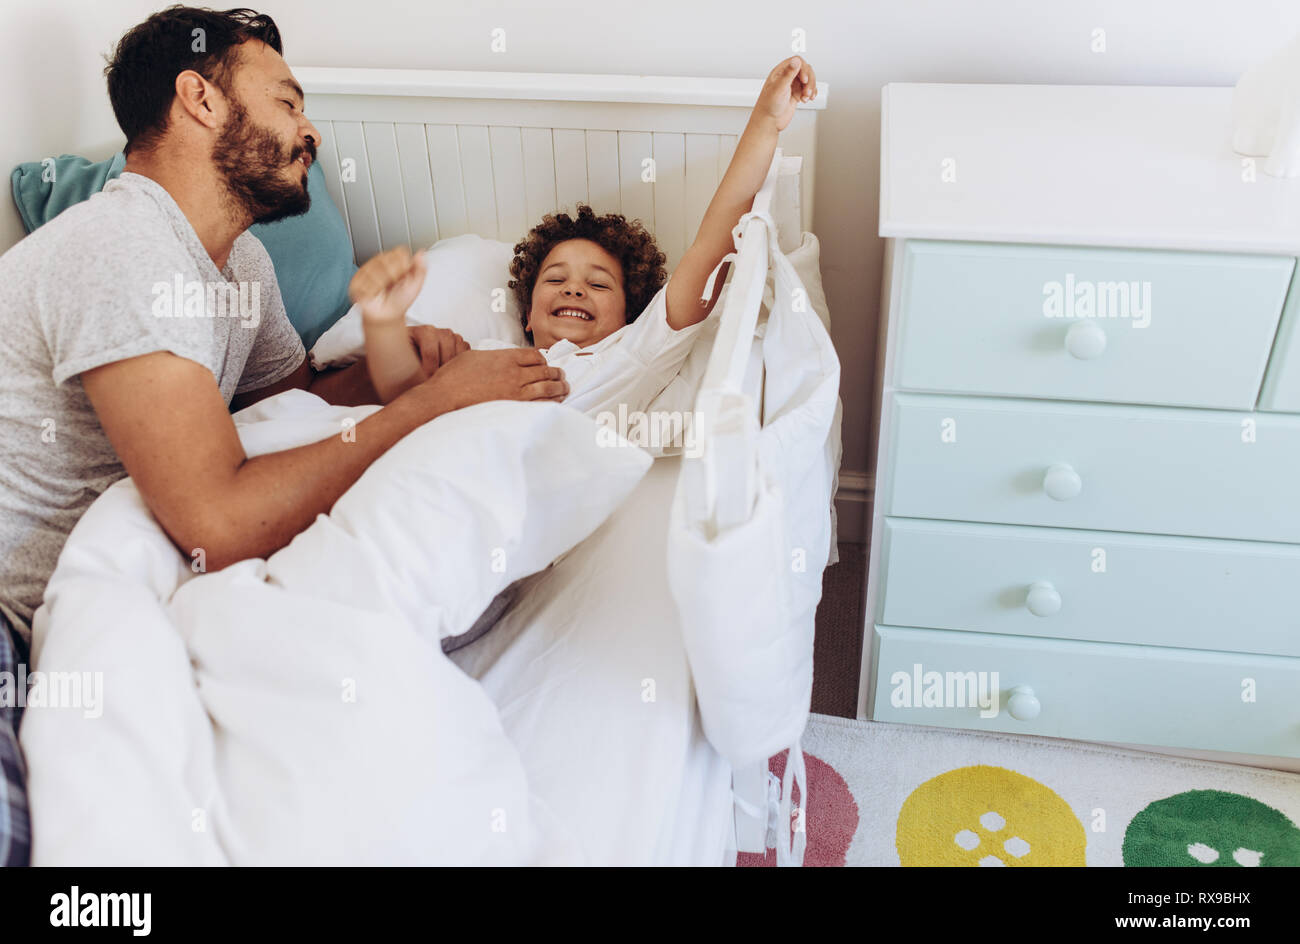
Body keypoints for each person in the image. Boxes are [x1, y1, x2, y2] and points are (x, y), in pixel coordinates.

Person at [0, 6, 567, 863]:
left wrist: (386, 360)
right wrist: (428, 405)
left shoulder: (243, 268)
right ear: (200, 100)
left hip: (108, 597)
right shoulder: (120, 249)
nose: (309, 131)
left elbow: (290, 403)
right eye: (287, 102)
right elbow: (218, 524)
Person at [353, 56, 818, 426]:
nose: (574, 289)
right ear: (528, 317)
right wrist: (383, 323)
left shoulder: (634, 352)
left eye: (598, 285)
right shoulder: (487, 357)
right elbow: (405, 398)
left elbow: (713, 244)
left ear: (628, 314)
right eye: (556, 280)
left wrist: (764, 120)